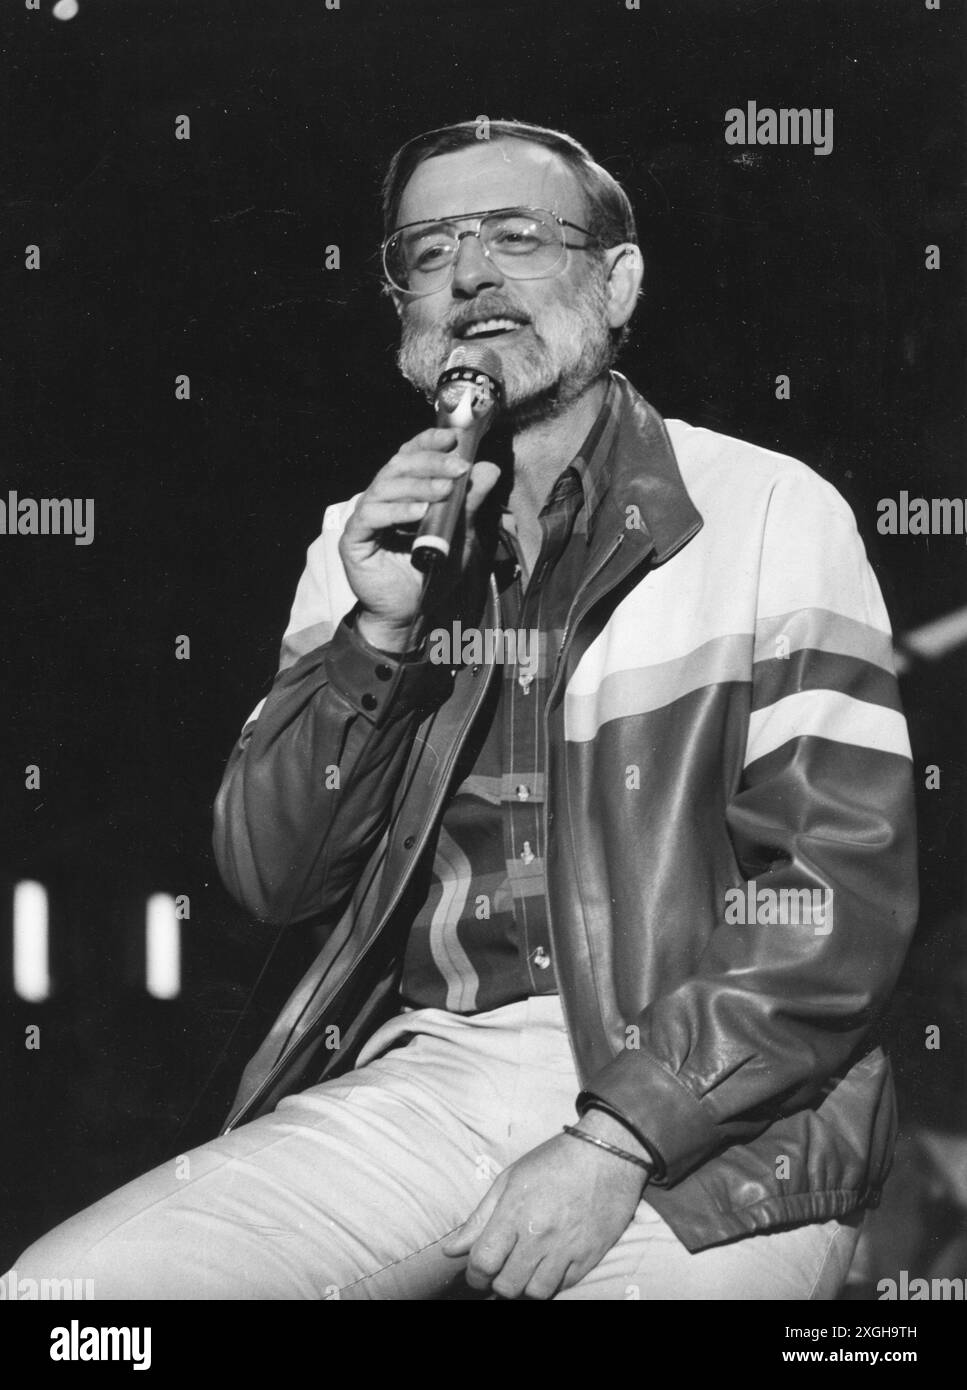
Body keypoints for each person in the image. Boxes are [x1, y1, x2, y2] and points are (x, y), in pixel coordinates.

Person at [13, 119, 918, 1300]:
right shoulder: (365, 546)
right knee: (69, 1301)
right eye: (430, 249)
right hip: (437, 1072)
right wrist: (376, 634)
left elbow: (832, 897)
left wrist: (613, 1137)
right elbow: (273, 880)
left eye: (516, 235)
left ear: (619, 279)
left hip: (723, 1101)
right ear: (402, 312)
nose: (472, 273)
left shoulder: (765, 509)